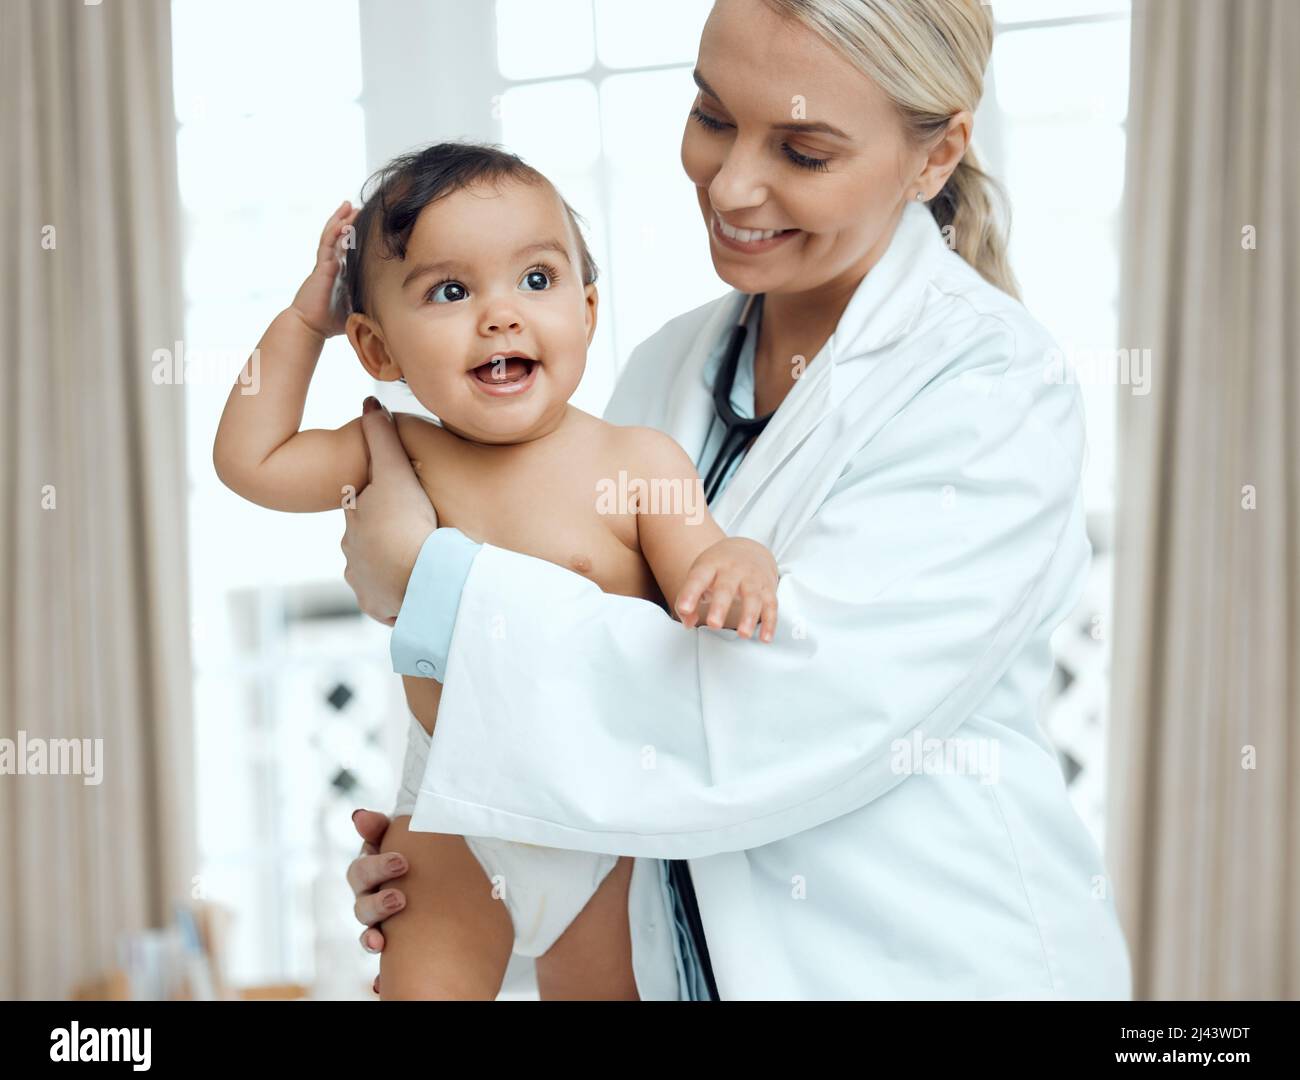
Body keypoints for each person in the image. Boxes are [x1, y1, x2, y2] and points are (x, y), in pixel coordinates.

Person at [344, 0, 1134, 1000]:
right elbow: (594, 696)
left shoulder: (989, 388)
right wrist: (469, 847)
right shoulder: (664, 366)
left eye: (802, 150)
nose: (730, 183)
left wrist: (427, 579)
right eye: (713, 115)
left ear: (934, 158)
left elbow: (775, 720)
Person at [214, 141, 779, 999]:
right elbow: (250, 459)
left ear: (588, 309)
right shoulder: (392, 451)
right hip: (450, 814)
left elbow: (704, 574)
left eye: (538, 281)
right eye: (450, 291)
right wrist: (303, 323)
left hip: (598, 822)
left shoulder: (638, 463)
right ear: (375, 346)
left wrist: (742, 557)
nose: (500, 315)